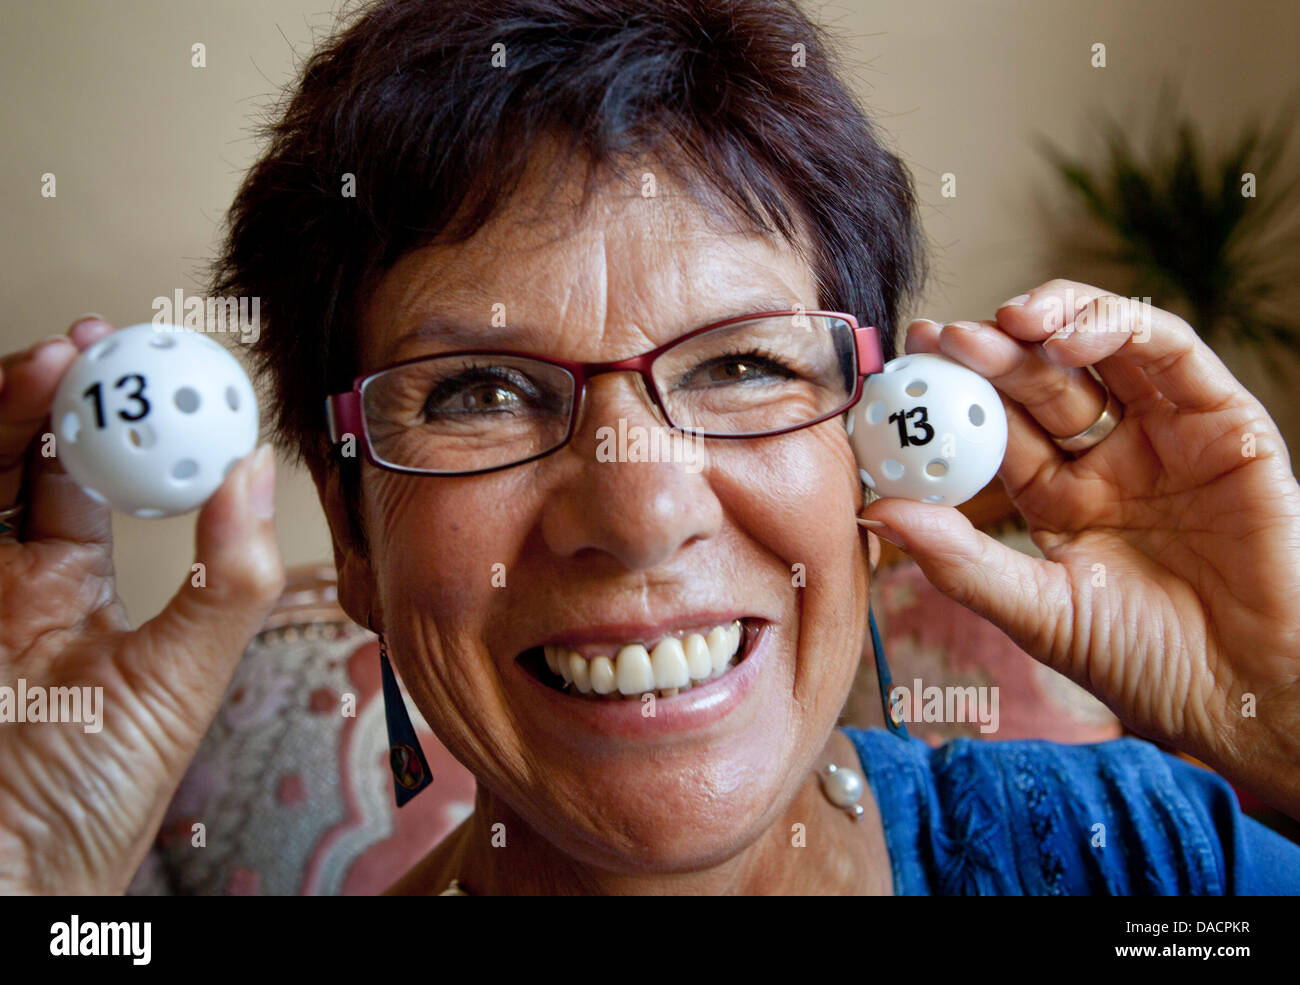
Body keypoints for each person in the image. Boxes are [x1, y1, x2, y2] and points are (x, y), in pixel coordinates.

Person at [2, 0, 1298, 896]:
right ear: (351, 535)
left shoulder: (1136, 855)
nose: (637, 512)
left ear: (872, 452)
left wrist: (1284, 719)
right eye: (476, 391)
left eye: (742, 361)